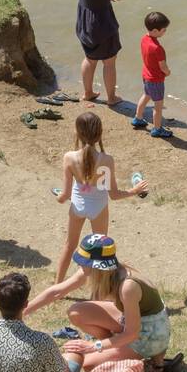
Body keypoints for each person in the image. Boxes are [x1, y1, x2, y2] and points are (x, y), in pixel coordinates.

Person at [23, 233, 181, 372]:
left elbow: (132, 333)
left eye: (83, 262)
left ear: (98, 266)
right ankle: (113, 348)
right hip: (133, 321)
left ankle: (140, 359)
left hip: (149, 334)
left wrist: (94, 346)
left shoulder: (128, 286)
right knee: (76, 312)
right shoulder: (105, 272)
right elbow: (57, 291)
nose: (79, 266)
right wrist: (23, 311)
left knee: (88, 365)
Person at [54, 111, 148, 280]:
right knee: (101, 251)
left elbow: (66, 194)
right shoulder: (107, 160)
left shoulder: (69, 158)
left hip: (77, 208)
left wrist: (59, 197)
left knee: (69, 246)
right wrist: (135, 190)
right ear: (100, 134)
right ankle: (103, 289)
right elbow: (114, 194)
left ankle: (57, 285)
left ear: (77, 132)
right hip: (98, 209)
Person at [76, 0, 170, 106]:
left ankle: (88, 93)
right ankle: (111, 98)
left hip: (84, 25)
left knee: (89, 59)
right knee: (109, 62)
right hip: (102, 28)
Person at [131, 11, 172, 137]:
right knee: (158, 106)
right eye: (164, 30)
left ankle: (138, 118)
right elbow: (162, 66)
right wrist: (168, 72)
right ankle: (157, 129)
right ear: (155, 31)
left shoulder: (144, 39)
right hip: (156, 80)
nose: (165, 32)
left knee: (146, 96)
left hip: (146, 75)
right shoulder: (157, 48)